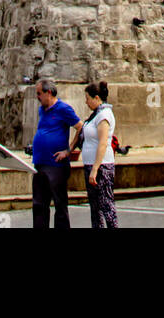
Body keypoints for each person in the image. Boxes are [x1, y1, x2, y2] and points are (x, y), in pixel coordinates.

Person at [61, 81, 118, 229]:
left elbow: (103, 143)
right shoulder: (95, 115)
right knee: (95, 207)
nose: (86, 102)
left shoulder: (104, 115)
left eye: (87, 98)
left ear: (97, 98)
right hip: (91, 164)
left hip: (101, 166)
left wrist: (95, 168)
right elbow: (81, 132)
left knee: (106, 204)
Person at [30, 79, 80, 230]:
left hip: (56, 164)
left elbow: (80, 127)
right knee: (39, 204)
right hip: (40, 162)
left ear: (48, 93)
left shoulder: (64, 109)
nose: (37, 97)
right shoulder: (41, 110)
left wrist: (69, 150)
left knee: (59, 204)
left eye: (39, 93)